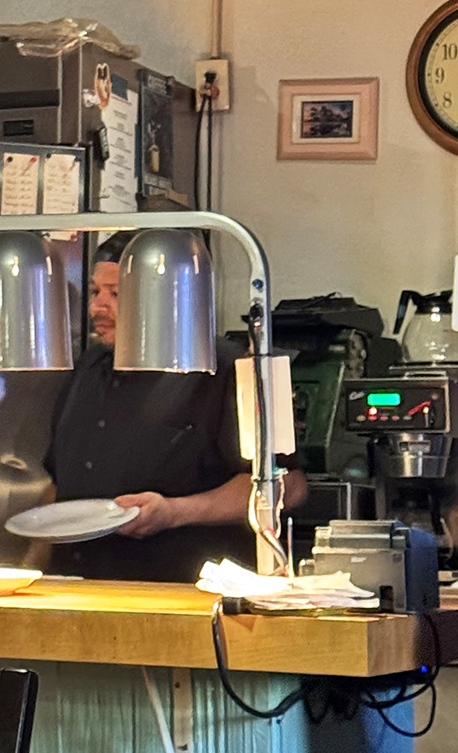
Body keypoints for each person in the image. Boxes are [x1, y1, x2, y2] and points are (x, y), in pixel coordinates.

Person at [42, 232, 307, 582]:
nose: (97, 308)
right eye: (95, 292)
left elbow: (290, 485)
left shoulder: (232, 368)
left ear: (165, 296)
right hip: (77, 586)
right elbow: (57, 484)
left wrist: (174, 512)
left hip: (183, 590)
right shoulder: (88, 368)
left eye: (116, 294)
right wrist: (32, 565)